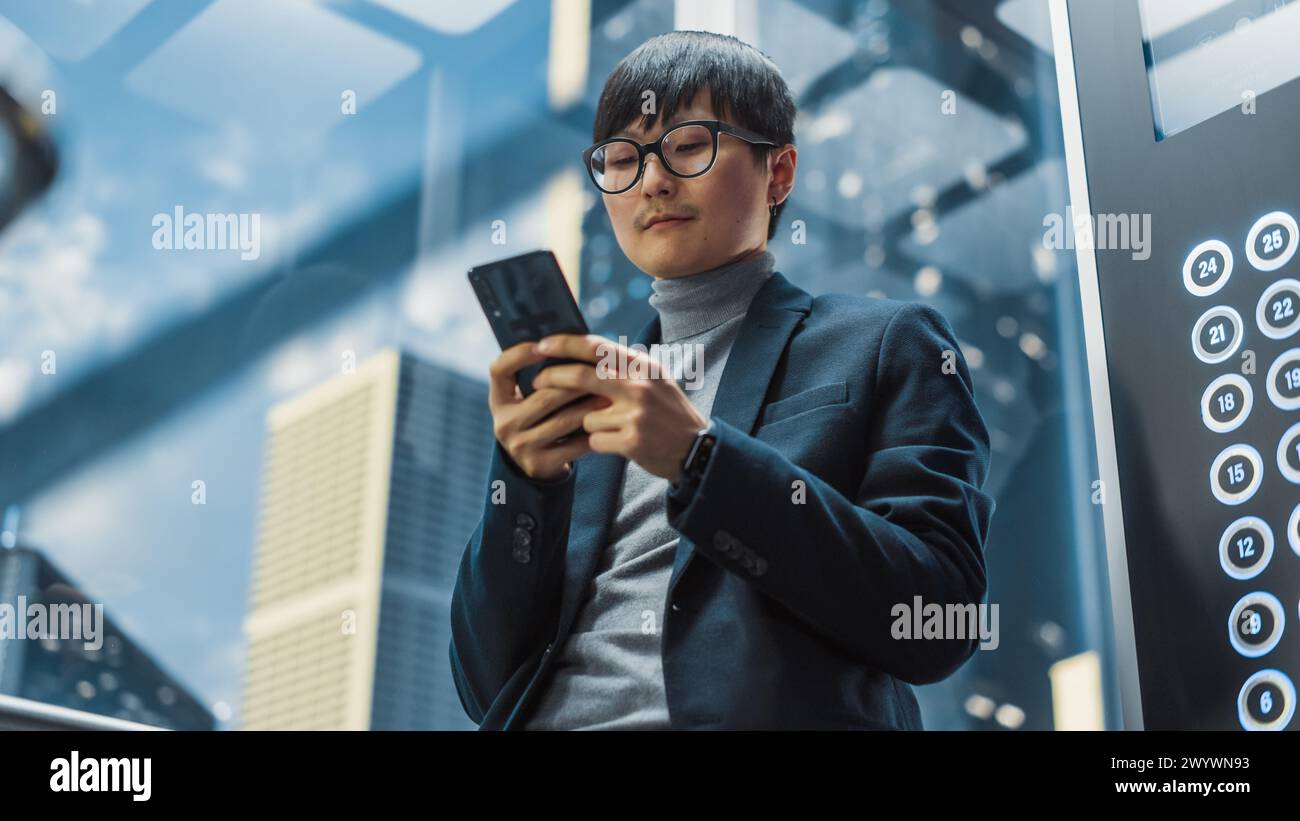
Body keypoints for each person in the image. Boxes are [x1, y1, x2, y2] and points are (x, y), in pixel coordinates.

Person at [450, 30, 995, 730]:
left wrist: (702, 459)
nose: (652, 180)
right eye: (623, 158)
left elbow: (935, 619)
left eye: (686, 145)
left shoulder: (886, 343)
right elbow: (482, 685)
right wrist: (525, 481)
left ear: (779, 173)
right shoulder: (592, 401)